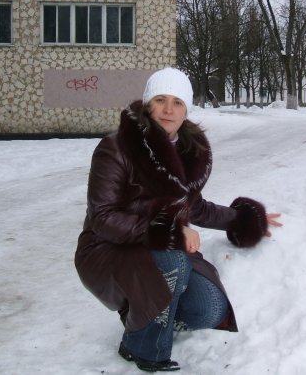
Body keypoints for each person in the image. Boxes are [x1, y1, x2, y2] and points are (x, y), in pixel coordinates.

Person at [75, 67, 282, 372]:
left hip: (158, 248)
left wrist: (243, 219)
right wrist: (169, 231)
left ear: (187, 110)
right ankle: (142, 346)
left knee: (209, 308)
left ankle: (150, 314)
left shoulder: (185, 151)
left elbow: (196, 208)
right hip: (107, 249)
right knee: (174, 259)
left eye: (177, 102)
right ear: (148, 104)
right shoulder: (116, 147)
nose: (168, 110)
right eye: (160, 100)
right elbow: (103, 217)